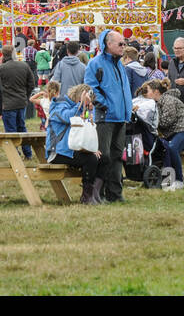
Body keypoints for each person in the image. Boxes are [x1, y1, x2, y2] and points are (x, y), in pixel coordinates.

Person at [84, 29, 133, 202]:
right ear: (108, 44)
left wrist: (127, 109)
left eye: (124, 43)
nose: (123, 46)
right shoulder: (95, 64)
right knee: (103, 155)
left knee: (117, 156)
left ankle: (115, 194)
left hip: (121, 116)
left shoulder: (119, 64)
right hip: (105, 116)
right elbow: (90, 87)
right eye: (120, 43)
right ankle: (98, 193)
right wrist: (104, 105)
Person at [44, 83, 104, 203]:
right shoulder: (59, 105)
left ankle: (95, 194)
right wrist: (81, 104)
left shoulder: (78, 108)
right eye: (88, 102)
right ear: (79, 97)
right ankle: (86, 197)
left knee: (103, 158)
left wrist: (91, 149)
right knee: (90, 159)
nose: (89, 105)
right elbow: (68, 118)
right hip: (57, 152)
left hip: (71, 150)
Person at [149, 79, 184, 191]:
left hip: (183, 132)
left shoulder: (168, 100)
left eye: (148, 91)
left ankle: (178, 180)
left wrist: (151, 122)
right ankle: (164, 180)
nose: (146, 94)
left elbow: (167, 121)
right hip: (171, 135)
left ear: (156, 92)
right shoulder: (158, 103)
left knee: (172, 148)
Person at [0, 46, 36, 157]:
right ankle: (28, 153)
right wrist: (25, 95)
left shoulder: (0, 68)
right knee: (22, 127)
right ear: (14, 53)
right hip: (21, 101)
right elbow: (31, 84)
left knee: (11, 131)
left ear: (3, 55)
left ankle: (14, 154)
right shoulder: (24, 66)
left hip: (8, 104)